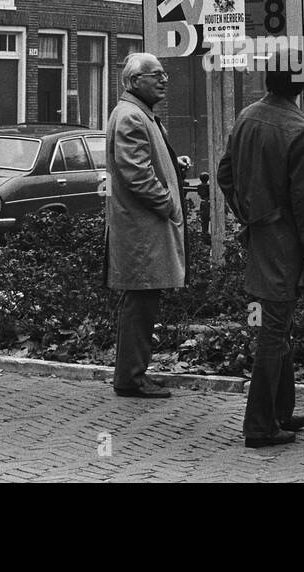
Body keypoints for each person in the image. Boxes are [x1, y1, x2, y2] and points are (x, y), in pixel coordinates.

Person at [218, 68, 304, 448]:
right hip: (286, 241)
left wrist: (248, 212)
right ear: (303, 84)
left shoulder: (246, 117)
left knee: (279, 323)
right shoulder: (299, 129)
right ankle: (260, 425)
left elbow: (224, 173)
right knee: (275, 330)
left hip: (260, 234)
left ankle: (281, 410)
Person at [105, 52, 190, 398]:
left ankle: (132, 373)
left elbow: (145, 163)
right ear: (133, 81)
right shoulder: (132, 117)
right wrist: (169, 204)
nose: (164, 79)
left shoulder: (140, 114)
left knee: (143, 300)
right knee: (140, 301)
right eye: (155, 74)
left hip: (143, 227)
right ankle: (131, 377)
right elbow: (138, 175)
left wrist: (173, 163)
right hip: (142, 230)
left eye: (164, 73)